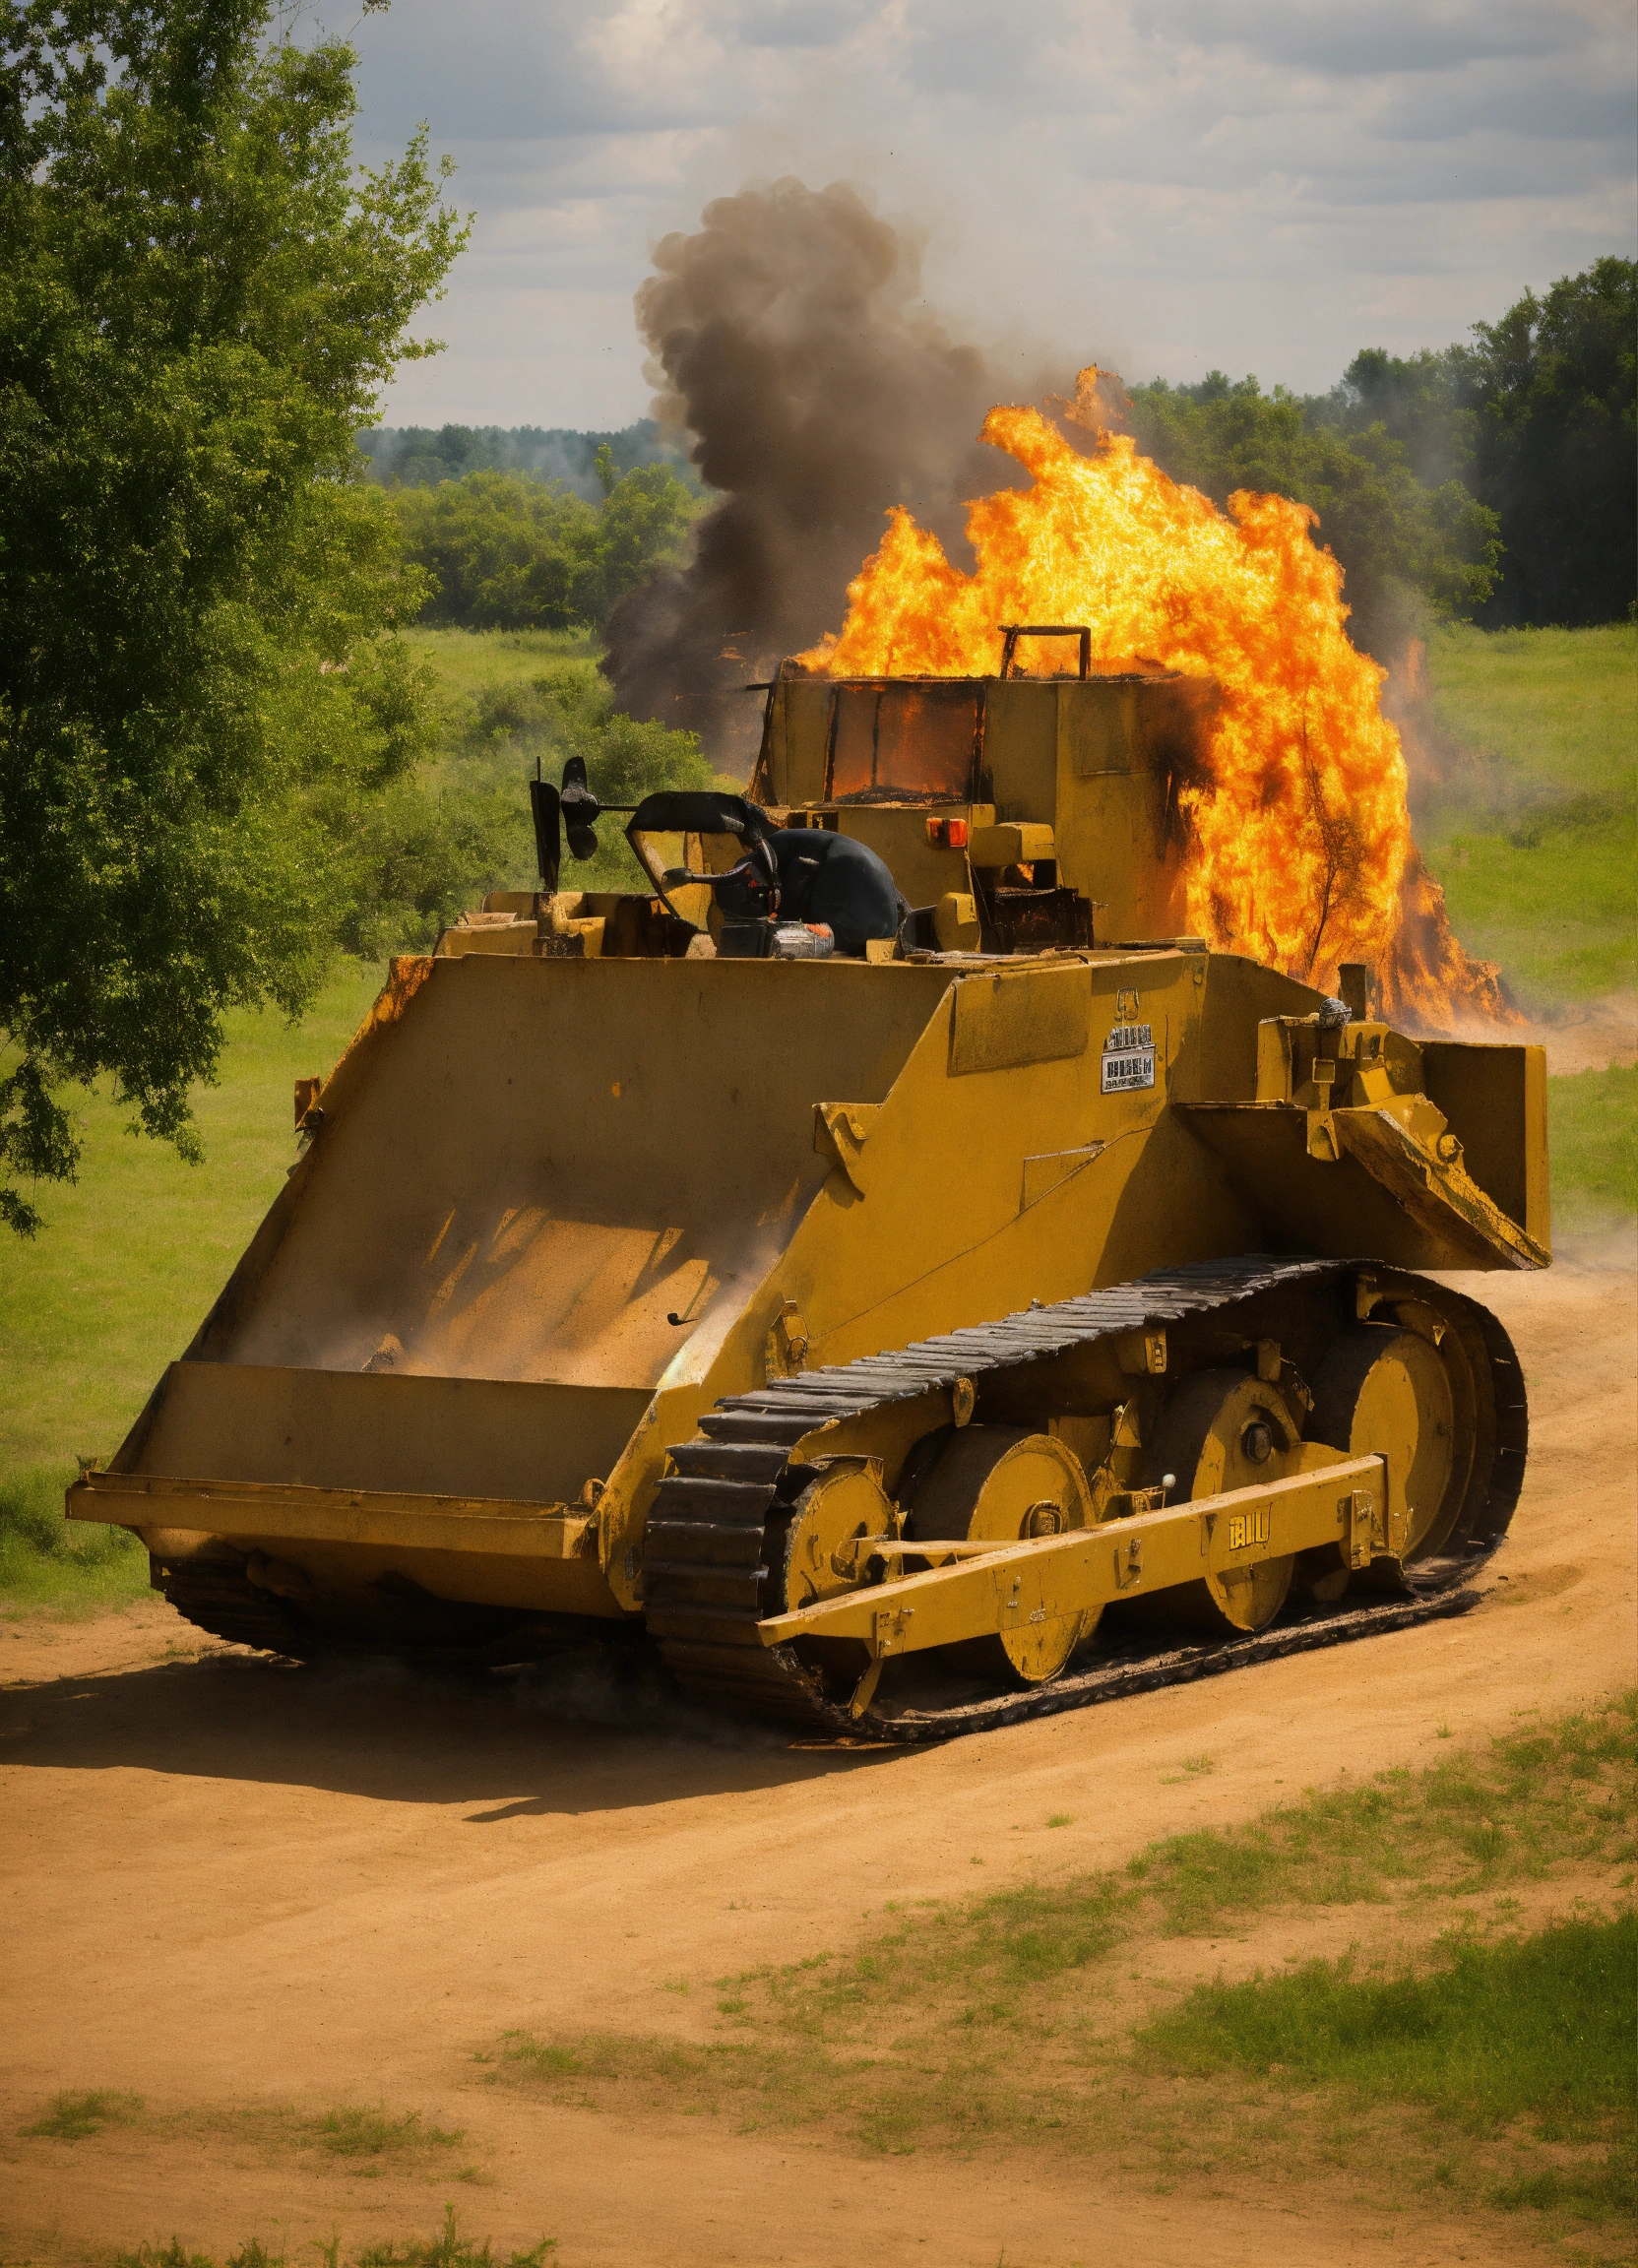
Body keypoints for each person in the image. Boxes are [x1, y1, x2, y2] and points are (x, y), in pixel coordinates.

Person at [713, 828, 903, 957]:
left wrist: (780, 923)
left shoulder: (779, 858)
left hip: (855, 914)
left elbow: (801, 871)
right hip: (879, 924)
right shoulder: (775, 851)